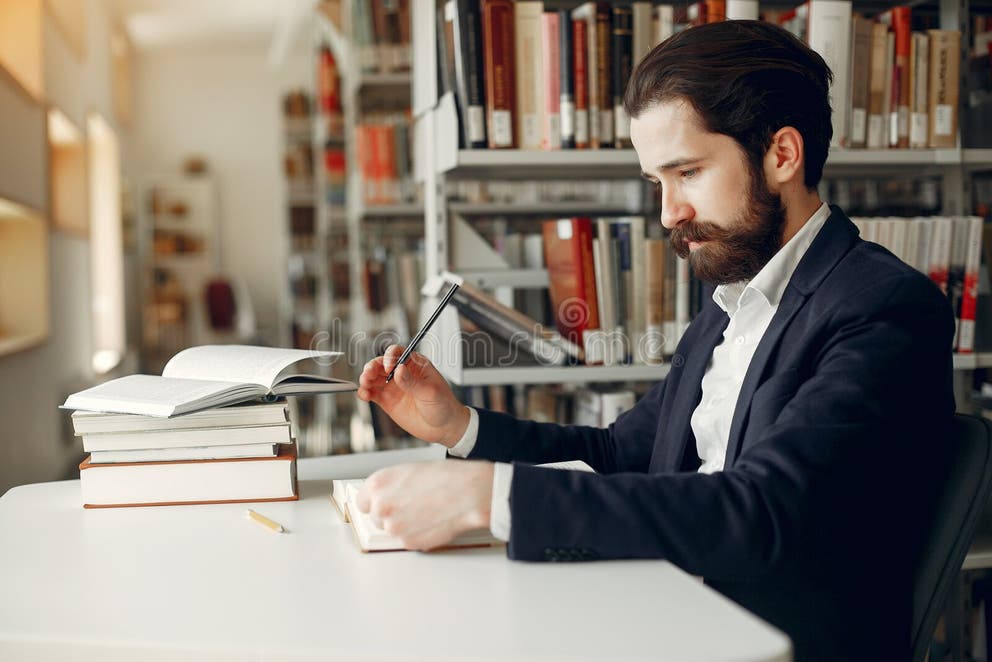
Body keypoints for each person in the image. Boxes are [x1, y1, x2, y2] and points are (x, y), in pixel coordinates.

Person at [355, 19, 954, 662]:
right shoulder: (729, 304)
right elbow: (622, 452)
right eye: (657, 184)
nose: (669, 213)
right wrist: (460, 428)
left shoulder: (882, 307)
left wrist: (488, 497)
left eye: (688, 172)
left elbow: (765, 510)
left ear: (782, 154)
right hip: (673, 612)